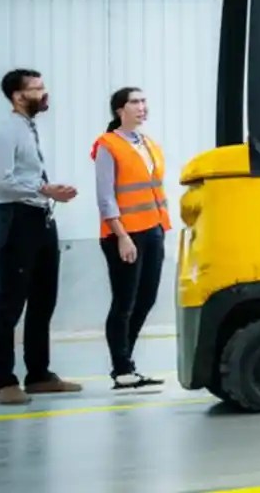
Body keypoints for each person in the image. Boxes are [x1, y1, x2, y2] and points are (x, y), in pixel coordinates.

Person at [0, 69, 83, 404]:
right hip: (17, 221)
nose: (44, 92)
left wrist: (49, 193)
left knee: (44, 300)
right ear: (18, 95)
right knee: (10, 303)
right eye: (36, 88)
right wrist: (44, 188)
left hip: (40, 218)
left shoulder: (29, 128)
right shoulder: (5, 132)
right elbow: (0, 181)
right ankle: (5, 382)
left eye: (43, 86)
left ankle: (38, 374)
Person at [90, 87, 169, 389]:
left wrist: (159, 229)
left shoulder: (148, 144)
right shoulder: (108, 145)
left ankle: (127, 364)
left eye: (144, 101)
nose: (142, 107)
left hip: (153, 230)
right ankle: (121, 368)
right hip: (123, 235)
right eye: (135, 102)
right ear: (119, 110)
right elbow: (105, 196)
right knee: (124, 302)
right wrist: (122, 235)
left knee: (145, 299)